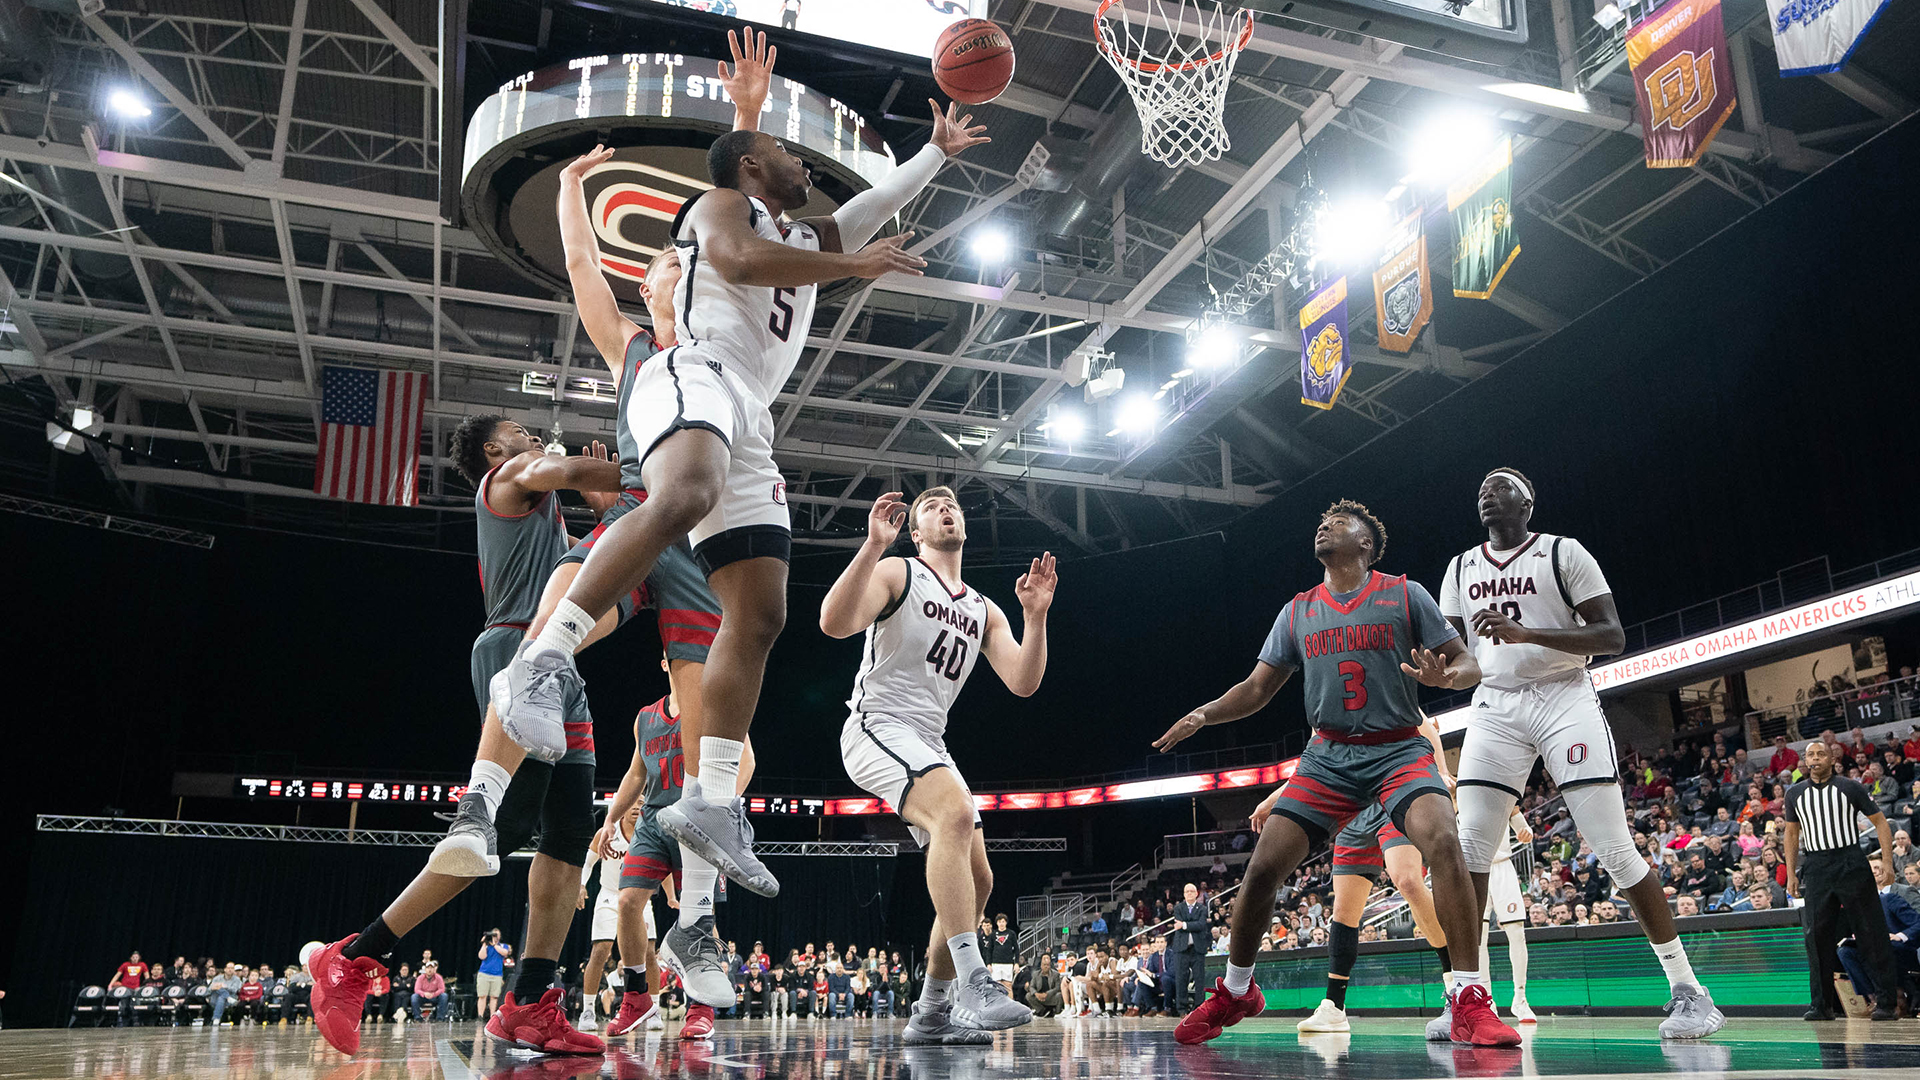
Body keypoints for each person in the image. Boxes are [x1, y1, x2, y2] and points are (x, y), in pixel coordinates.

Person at [494, 80, 986, 915]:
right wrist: (852, 265)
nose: (805, 164)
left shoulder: (800, 229)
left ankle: (713, 800)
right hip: (698, 372)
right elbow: (736, 261)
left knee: (759, 614)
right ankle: (540, 664)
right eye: (789, 155)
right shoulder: (721, 208)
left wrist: (936, 151)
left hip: (752, 411)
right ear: (756, 167)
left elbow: (872, 203)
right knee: (682, 492)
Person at [1157, 500, 1518, 1047]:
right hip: (1327, 756)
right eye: (1321, 521)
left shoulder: (1404, 593)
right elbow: (1257, 690)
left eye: (1338, 522)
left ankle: (1468, 996)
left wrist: (1446, 677)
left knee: (1444, 840)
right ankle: (1237, 991)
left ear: (1366, 544)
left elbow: (1465, 661)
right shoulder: (1298, 609)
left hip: (1397, 749)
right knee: (1260, 870)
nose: (1323, 525)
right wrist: (1205, 713)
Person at [1441, 468, 1723, 1040]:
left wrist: (1530, 636)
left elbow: (1612, 636)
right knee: (1468, 847)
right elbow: (1458, 657)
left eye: (1499, 486)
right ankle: (1466, 997)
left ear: (1527, 501)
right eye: (1480, 489)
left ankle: (1691, 992)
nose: (1485, 493)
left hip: (1563, 695)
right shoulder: (1460, 566)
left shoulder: (1562, 553)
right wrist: (1439, 673)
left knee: (1613, 847)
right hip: (1492, 703)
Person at [820, 486, 1054, 1043]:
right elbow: (832, 621)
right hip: (876, 725)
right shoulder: (899, 572)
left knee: (980, 879)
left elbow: (1023, 682)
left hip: (929, 741)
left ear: (964, 527)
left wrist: (1035, 617)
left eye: (952, 505)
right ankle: (975, 980)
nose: (945, 509)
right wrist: (873, 547)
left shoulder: (984, 607)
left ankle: (929, 1012)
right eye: (931, 507)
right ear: (917, 531)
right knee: (953, 813)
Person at [592, 659, 755, 1041]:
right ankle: (636, 997)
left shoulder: (718, 704)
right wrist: (611, 819)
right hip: (653, 819)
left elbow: (745, 760)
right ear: (664, 661)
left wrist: (720, 807)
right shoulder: (646, 717)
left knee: (698, 916)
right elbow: (637, 773)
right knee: (628, 901)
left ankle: (700, 1007)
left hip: (696, 821)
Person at [1277, 714, 1458, 1035]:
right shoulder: (1323, 703)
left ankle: (1455, 991)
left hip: (1395, 793)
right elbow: (1311, 766)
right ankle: (1334, 1007)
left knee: (1407, 880)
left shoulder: (1376, 678)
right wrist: (1270, 799)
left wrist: (1441, 773)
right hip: (1355, 806)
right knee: (1344, 911)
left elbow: (1425, 725)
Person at [1787, 739, 1901, 1021]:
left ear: (1832, 758)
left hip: (1850, 861)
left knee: (1870, 931)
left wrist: (1887, 862)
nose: (1815, 759)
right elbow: (1791, 834)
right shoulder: (1794, 793)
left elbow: (1881, 822)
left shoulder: (1850, 786)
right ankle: (1822, 1005)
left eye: (1821, 754)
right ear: (1805, 760)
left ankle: (1887, 1002)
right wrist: (1791, 873)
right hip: (1815, 865)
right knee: (1817, 936)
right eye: (1810, 755)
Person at [576, 802, 642, 1031]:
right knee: (601, 949)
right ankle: (587, 1010)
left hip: (637, 897)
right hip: (609, 895)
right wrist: (581, 885)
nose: (637, 806)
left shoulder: (647, 834)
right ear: (622, 807)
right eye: (633, 802)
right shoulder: (607, 832)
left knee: (646, 954)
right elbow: (588, 861)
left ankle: (647, 1009)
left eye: (641, 803)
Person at [1164, 883, 1208, 1015]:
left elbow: (1200, 925)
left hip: (1197, 948)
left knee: (1200, 979)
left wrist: (1184, 925)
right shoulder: (1178, 908)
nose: (1189, 893)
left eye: (1192, 891)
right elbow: (1184, 922)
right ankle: (1182, 1009)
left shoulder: (1203, 908)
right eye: (1187, 891)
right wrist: (1188, 924)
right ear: (1184, 894)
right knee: (1181, 978)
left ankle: (1199, 1007)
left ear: (1196, 894)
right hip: (1181, 948)